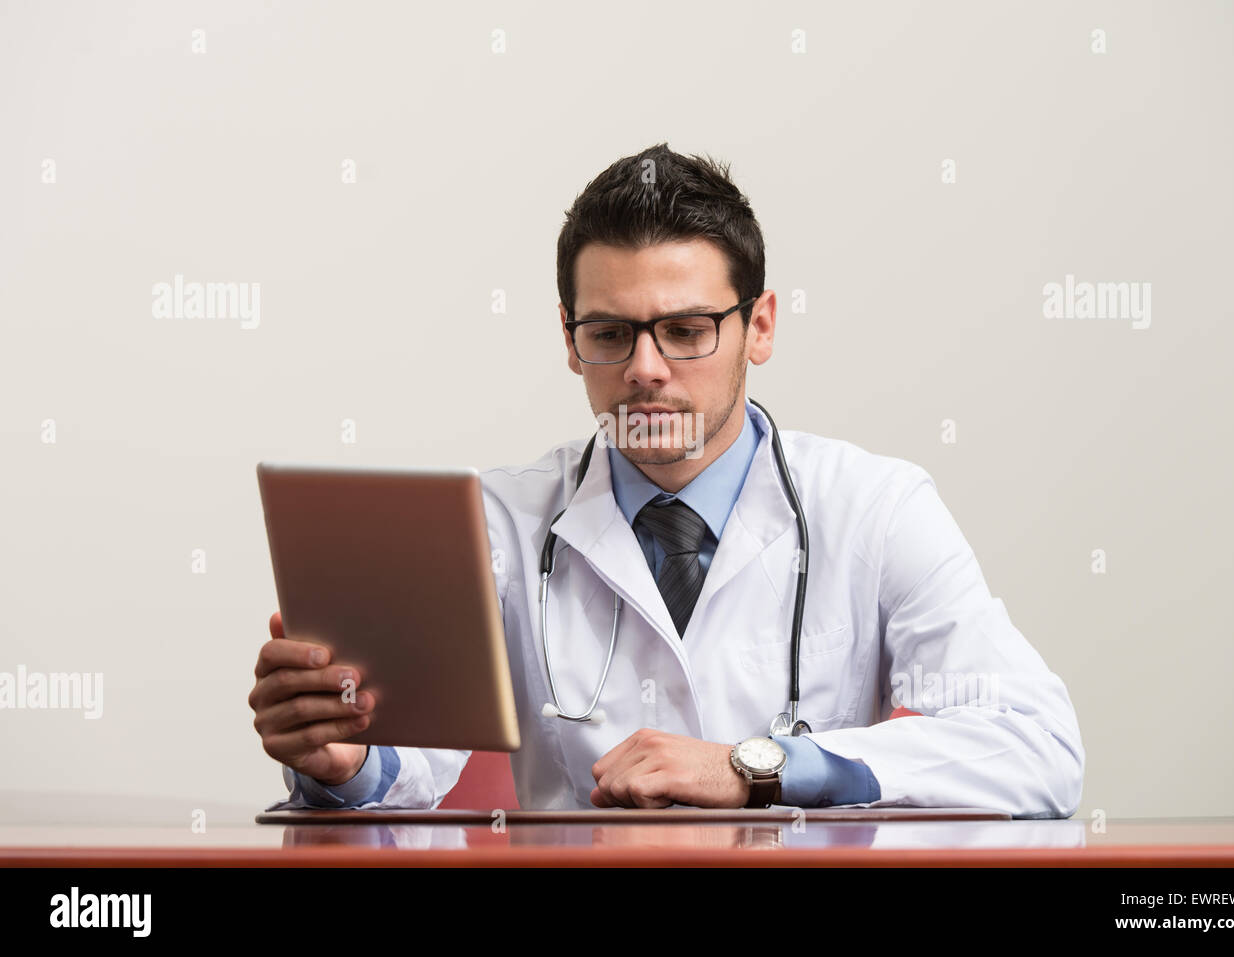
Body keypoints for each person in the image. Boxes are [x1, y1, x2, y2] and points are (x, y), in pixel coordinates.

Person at [249, 143, 1084, 815]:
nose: (645, 370)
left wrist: (765, 766)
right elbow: (409, 765)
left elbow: (1037, 746)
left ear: (759, 327)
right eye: (610, 333)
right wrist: (347, 760)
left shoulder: (877, 509)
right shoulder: (495, 523)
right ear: (571, 342)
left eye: (686, 329)